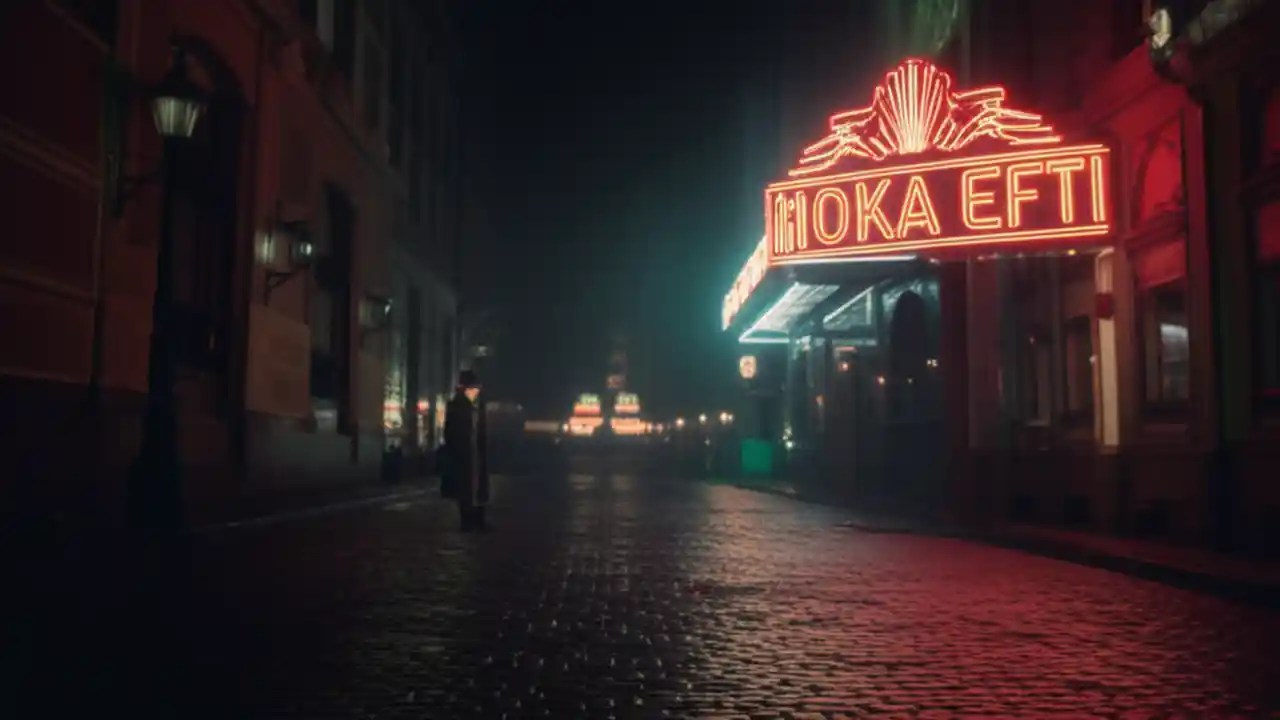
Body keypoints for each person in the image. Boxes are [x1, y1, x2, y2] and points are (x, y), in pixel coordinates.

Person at [443, 370, 490, 531]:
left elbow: (482, 431)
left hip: (475, 453)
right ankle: (467, 520)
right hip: (464, 454)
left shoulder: (478, 406)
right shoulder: (457, 406)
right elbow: (450, 431)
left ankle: (477, 519)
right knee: (466, 488)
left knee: (477, 487)